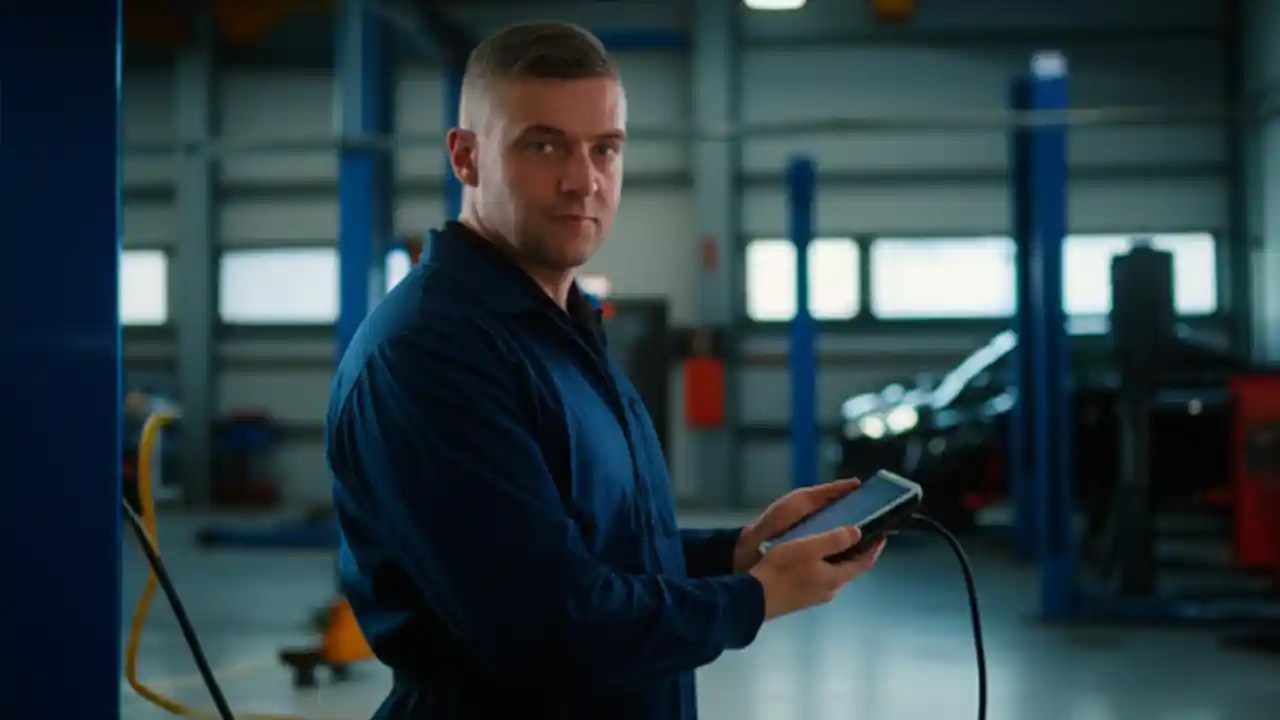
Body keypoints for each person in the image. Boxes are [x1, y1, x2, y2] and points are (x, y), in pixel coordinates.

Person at [325, 21, 885, 720]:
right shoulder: (430, 353)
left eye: (605, 148)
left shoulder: (563, 328)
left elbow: (595, 551)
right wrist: (756, 596)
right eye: (543, 145)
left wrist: (738, 553)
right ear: (466, 158)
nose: (582, 180)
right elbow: (546, 626)